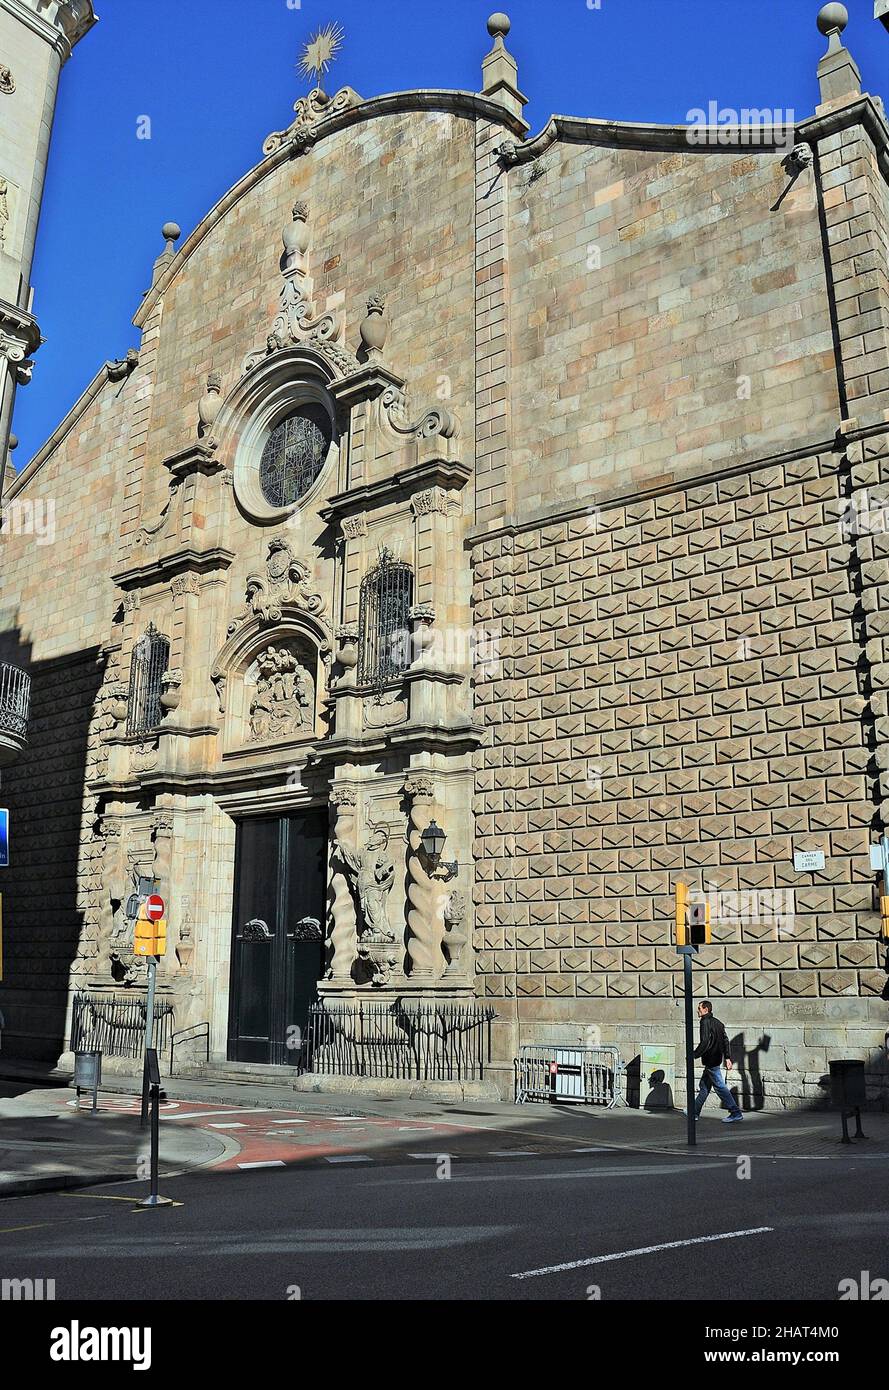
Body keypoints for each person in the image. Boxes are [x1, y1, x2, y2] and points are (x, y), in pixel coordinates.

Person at [694, 1000, 743, 1123]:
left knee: (720, 1087)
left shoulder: (705, 1022)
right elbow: (725, 1041)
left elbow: (704, 1042)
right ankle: (694, 1111)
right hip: (716, 1059)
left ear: (706, 1009)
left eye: (699, 1009)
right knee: (704, 1087)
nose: (697, 1011)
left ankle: (735, 1112)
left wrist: (694, 1055)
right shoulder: (718, 1023)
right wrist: (727, 1058)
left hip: (710, 1060)